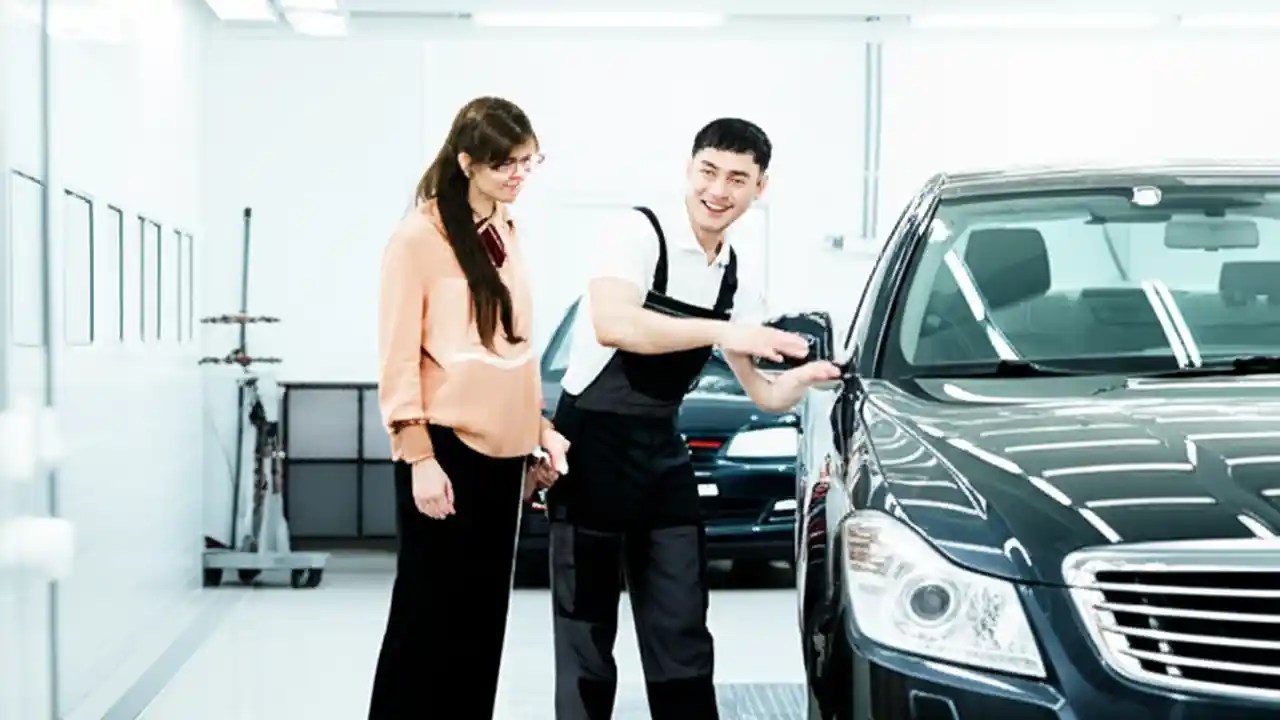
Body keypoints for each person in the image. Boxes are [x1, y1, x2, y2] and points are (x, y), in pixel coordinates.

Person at [545, 118, 842, 719]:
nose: (719, 189)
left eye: (738, 178)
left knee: (682, 638)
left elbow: (761, 393)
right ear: (689, 169)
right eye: (708, 171)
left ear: (760, 188)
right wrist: (726, 329)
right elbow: (614, 322)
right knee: (587, 641)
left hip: (662, 461)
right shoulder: (635, 232)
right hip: (591, 456)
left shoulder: (736, 274)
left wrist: (804, 380)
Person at [368, 96, 570, 720]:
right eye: (504, 164)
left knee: (483, 622)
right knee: (426, 617)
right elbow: (398, 357)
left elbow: (517, 349)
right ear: (466, 162)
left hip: (505, 455)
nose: (518, 175)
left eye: (527, 162)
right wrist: (418, 456)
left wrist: (538, 431)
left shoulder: (509, 232)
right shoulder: (418, 239)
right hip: (445, 450)